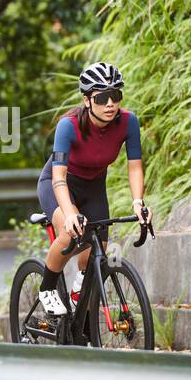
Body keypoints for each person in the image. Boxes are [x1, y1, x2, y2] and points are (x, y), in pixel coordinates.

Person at [35, 61, 151, 316]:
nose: (110, 103)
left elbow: (134, 167)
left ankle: (79, 292)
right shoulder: (69, 125)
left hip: (94, 186)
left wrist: (138, 203)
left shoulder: (129, 122)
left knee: (97, 248)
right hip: (59, 185)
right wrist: (69, 213)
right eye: (102, 97)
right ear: (87, 100)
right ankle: (47, 289)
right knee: (69, 234)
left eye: (115, 95)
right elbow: (58, 177)